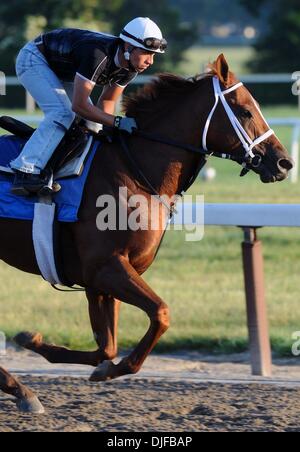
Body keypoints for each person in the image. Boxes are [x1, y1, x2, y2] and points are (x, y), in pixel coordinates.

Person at [10, 17, 167, 195]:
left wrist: (109, 129)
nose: (150, 61)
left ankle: (55, 171)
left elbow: (106, 102)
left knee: (91, 125)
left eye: (153, 55)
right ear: (128, 47)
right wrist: (116, 122)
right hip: (34, 58)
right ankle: (26, 170)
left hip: (61, 71)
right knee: (63, 114)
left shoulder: (130, 68)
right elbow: (79, 106)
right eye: (147, 53)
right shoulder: (98, 55)